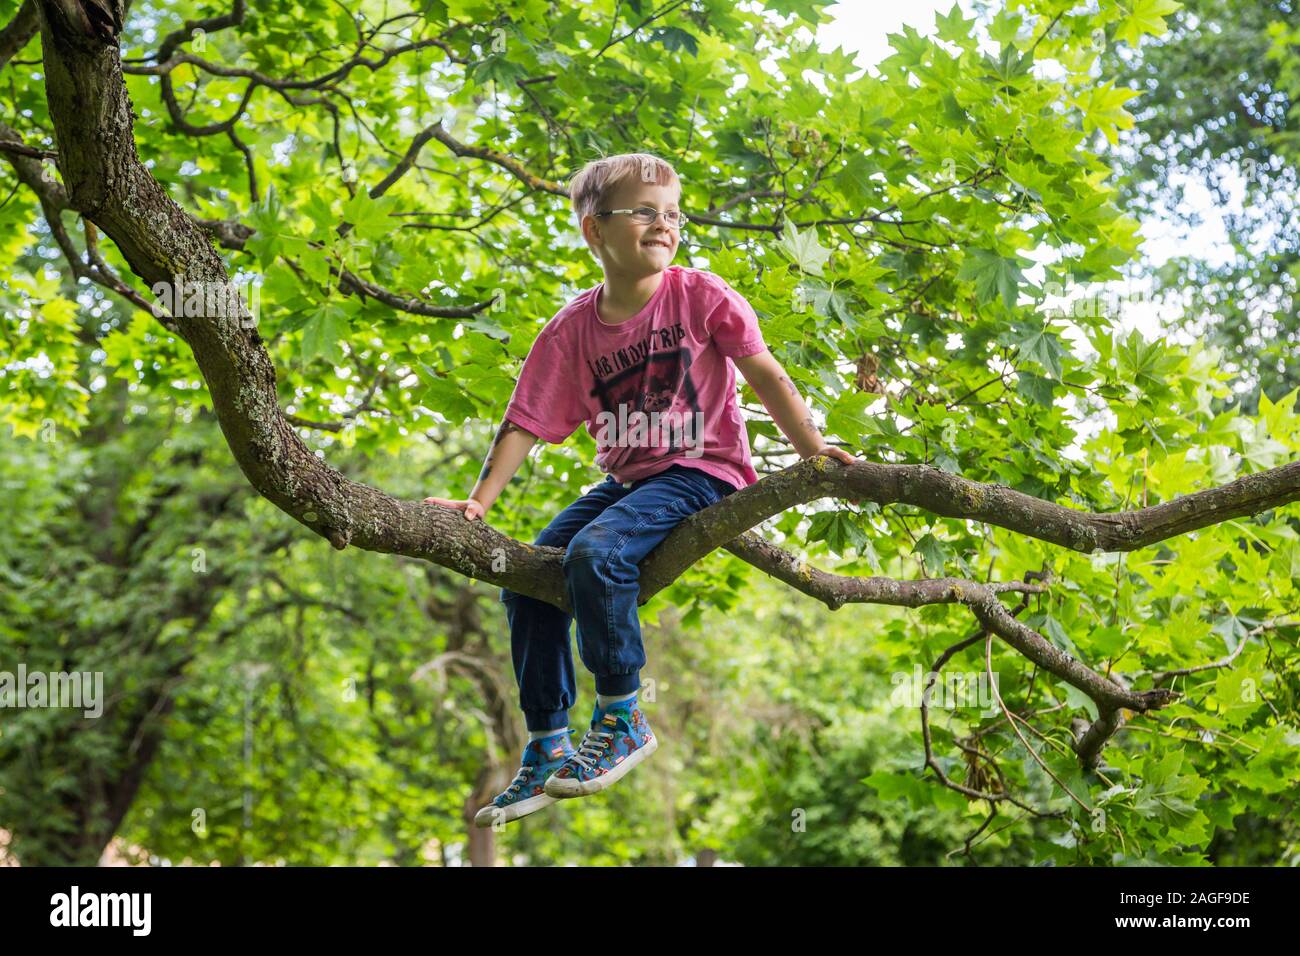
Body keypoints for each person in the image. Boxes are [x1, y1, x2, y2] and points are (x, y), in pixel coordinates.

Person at [424, 152, 857, 828]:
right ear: (594, 230)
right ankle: (547, 745)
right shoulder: (571, 330)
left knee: (596, 554)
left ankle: (623, 714)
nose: (666, 224)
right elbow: (524, 423)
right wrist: (478, 505)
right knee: (525, 581)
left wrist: (813, 454)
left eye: (673, 214)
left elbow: (765, 374)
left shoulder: (700, 296)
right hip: (627, 482)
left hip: (703, 471)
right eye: (646, 212)